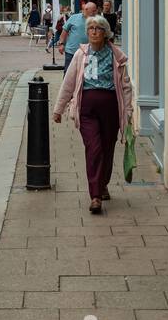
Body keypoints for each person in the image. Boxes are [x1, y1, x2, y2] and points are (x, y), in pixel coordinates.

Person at [53, 15, 135, 215]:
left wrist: (129, 112)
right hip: (87, 109)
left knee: (107, 148)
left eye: (98, 29)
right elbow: (69, 82)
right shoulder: (81, 55)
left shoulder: (117, 56)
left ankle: (103, 183)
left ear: (105, 33)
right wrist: (58, 108)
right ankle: (95, 195)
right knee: (94, 148)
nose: (94, 32)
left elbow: (125, 87)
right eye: (91, 29)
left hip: (111, 109)